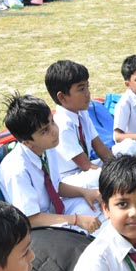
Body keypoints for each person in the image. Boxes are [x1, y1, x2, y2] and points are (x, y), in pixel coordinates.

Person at [0, 93, 104, 233]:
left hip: (55, 210)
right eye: (44, 131)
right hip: (39, 229)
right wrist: (76, 220)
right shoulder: (17, 170)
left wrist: (85, 192)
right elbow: (30, 218)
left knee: (99, 207)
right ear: (27, 142)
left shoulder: (47, 147)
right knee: (96, 231)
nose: (54, 131)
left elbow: (55, 186)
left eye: (52, 121)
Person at [45, 60, 113, 189]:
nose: (88, 93)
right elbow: (86, 166)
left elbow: (100, 148)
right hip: (69, 180)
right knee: (100, 175)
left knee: (124, 151)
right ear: (62, 97)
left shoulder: (82, 113)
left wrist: (120, 165)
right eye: (81, 89)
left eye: (87, 87)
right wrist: (120, 174)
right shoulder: (62, 125)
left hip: (85, 171)